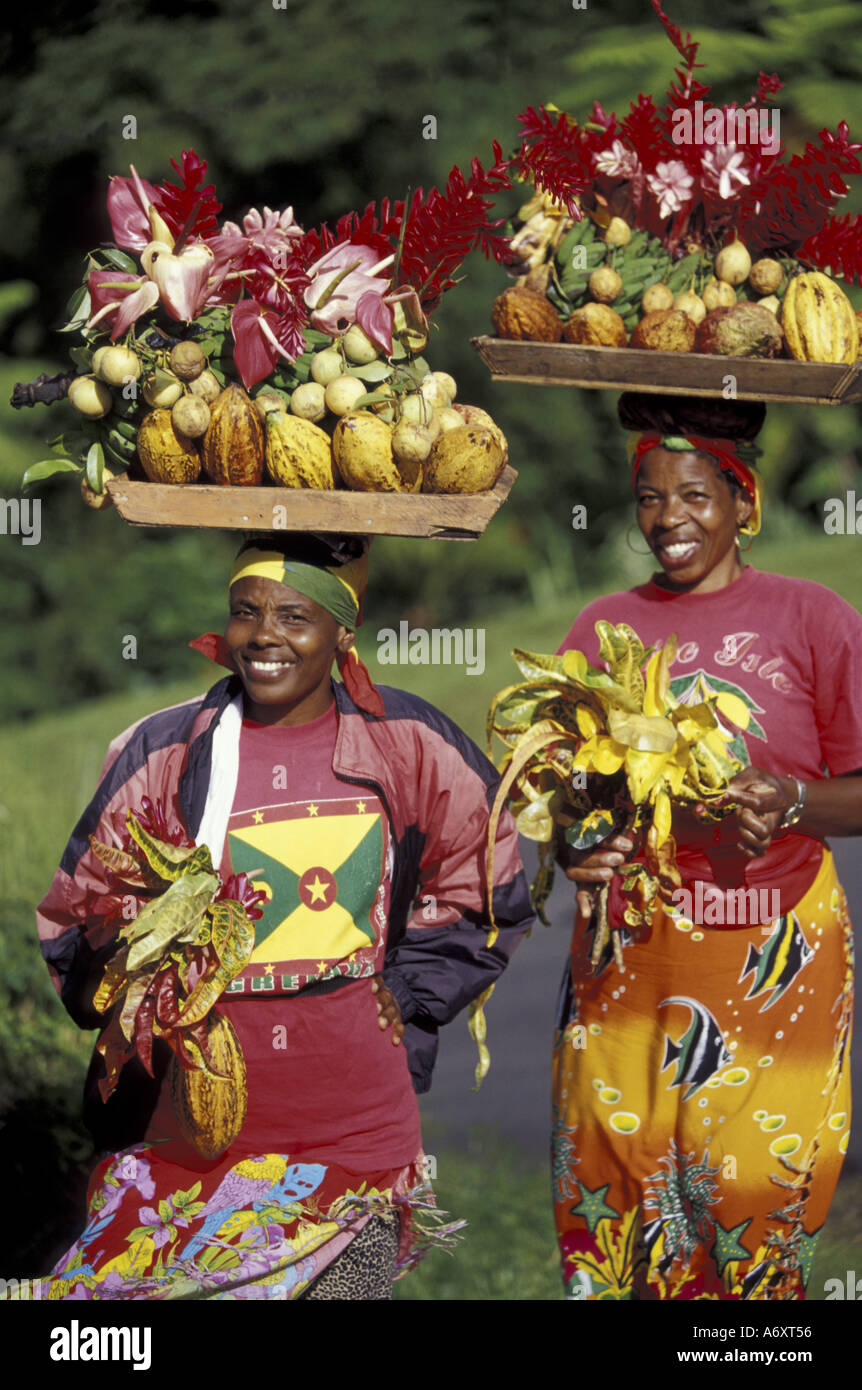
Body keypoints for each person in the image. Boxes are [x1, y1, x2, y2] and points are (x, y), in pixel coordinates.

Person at [36, 531, 533, 1300]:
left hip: (359, 1141)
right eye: (245, 612)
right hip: (193, 1146)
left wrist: (410, 987)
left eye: (294, 617)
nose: (265, 635)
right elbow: (76, 918)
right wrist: (139, 961)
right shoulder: (166, 752)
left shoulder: (406, 742)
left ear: (343, 633)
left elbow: (489, 876)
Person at [551, 395, 862, 1301]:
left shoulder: (814, 618)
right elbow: (568, 791)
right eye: (649, 498)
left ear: (742, 502)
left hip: (776, 956)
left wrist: (794, 799)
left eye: (693, 496)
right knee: (621, 1190)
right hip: (629, 957)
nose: (668, 520)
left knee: (751, 1198)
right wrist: (580, 843)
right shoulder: (604, 627)